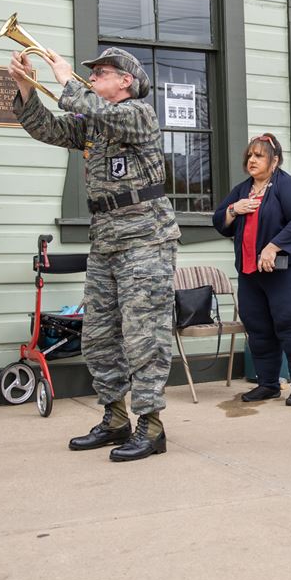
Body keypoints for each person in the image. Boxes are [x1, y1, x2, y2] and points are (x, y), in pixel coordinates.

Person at [9, 46, 179, 461]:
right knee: (98, 335)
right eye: (93, 72)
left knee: (145, 336)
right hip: (105, 240)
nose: (94, 76)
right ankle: (116, 418)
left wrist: (66, 78)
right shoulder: (95, 124)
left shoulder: (139, 114)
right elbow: (48, 129)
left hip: (146, 239)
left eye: (103, 72)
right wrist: (26, 88)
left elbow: (98, 110)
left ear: (126, 81)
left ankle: (151, 427)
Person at [212, 134, 291, 406]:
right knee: (258, 328)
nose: (252, 160)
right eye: (250, 155)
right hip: (251, 271)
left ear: (275, 162)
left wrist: (274, 246)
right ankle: (268, 384)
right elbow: (219, 220)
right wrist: (233, 210)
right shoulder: (242, 189)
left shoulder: (286, 186)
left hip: (289, 270)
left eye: (259, 156)